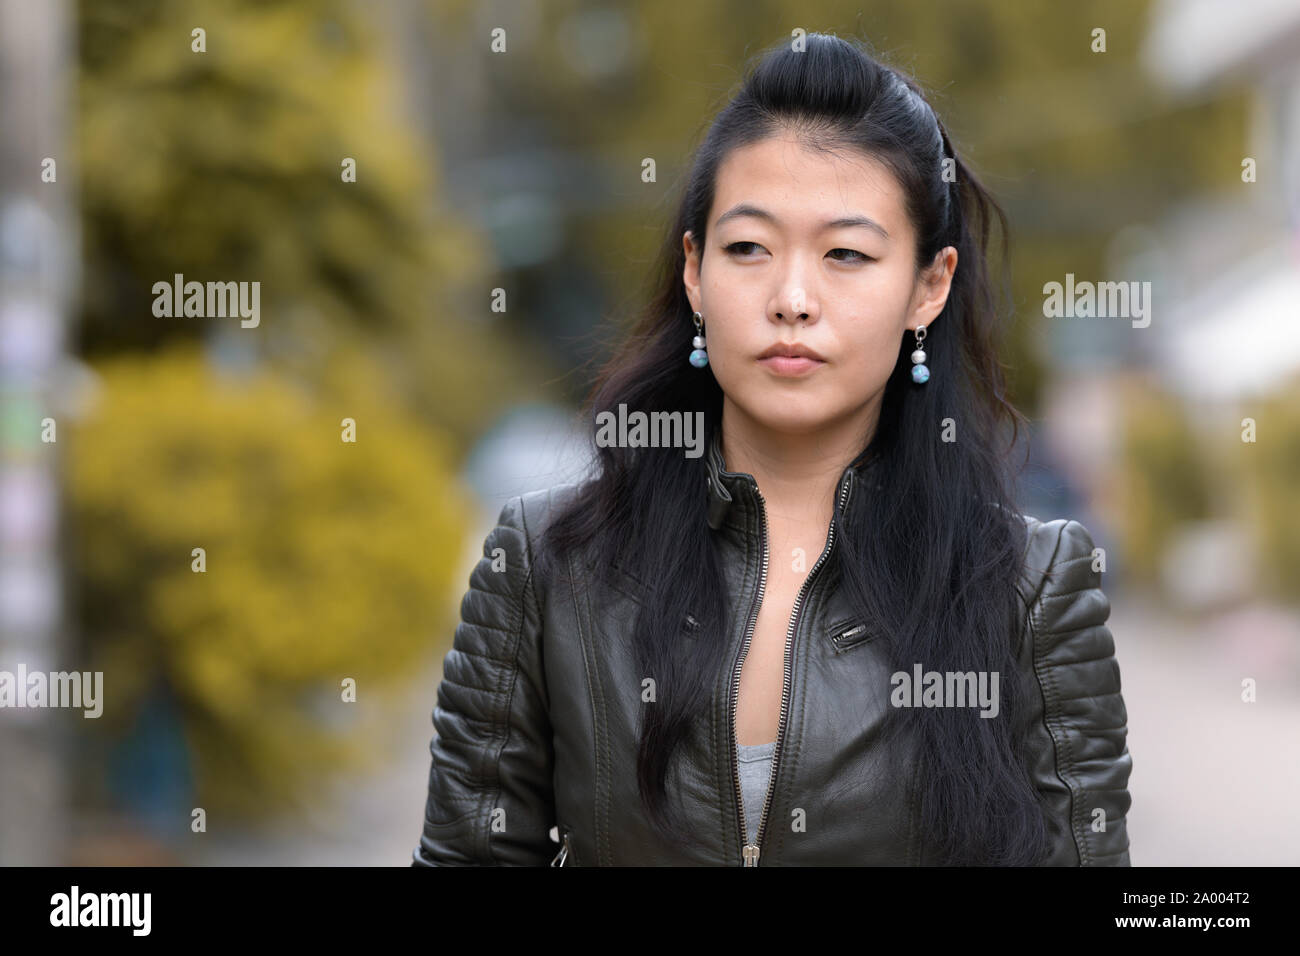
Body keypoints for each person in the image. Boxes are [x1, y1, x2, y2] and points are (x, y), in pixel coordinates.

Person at [412, 32, 1132, 866]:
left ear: (927, 288)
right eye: (748, 247)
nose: (792, 298)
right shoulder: (545, 568)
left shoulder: (1029, 590)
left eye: (847, 255)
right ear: (694, 271)